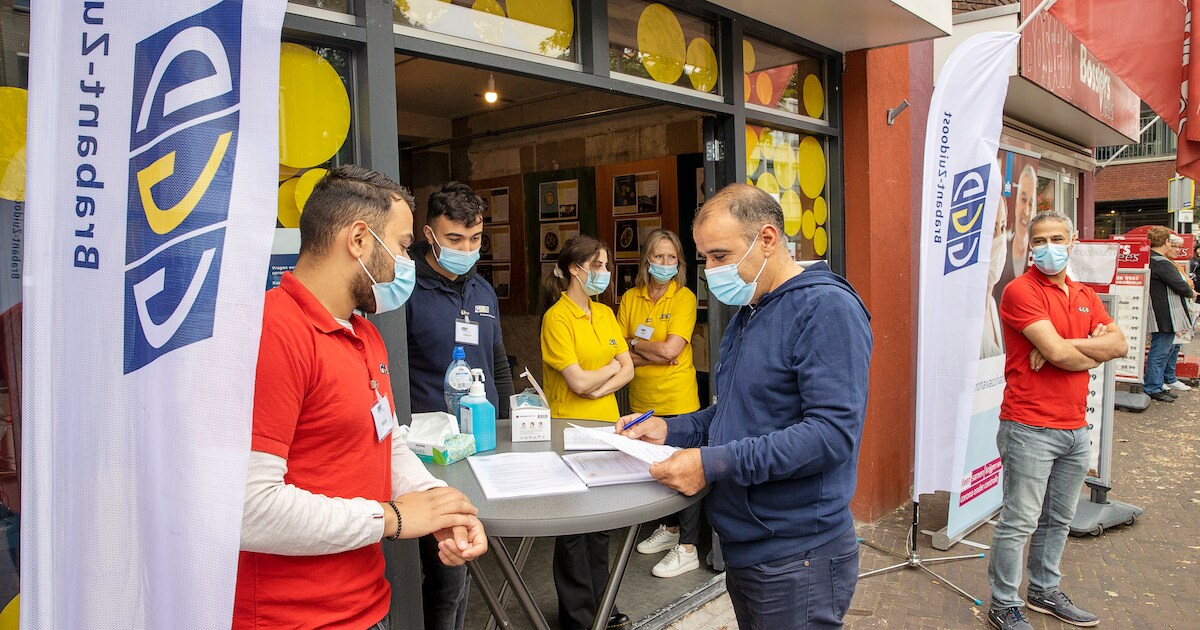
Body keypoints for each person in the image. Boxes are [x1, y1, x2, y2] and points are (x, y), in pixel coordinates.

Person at [235, 165, 488, 630]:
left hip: (367, 606)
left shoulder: (365, 334)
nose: (406, 261)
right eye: (403, 245)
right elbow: (249, 507)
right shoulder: (274, 332)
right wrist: (391, 518)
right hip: (290, 618)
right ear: (358, 238)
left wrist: (437, 504)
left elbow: (385, 445)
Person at [618, 184, 872, 629]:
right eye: (705, 259)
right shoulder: (750, 311)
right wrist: (668, 429)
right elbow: (736, 411)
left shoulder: (826, 308)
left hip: (798, 555)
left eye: (720, 255)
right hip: (748, 545)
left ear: (768, 239)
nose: (711, 270)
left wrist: (711, 464)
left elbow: (830, 437)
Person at [986, 211, 1127, 630]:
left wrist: (1056, 347)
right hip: (1029, 426)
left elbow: (1118, 343)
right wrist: (1073, 350)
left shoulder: (1085, 293)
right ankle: (1003, 603)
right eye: (1041, 240)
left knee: (1058, 519)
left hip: (1074, 428)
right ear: (1030, 246)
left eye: (1057, 238)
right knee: (1020, 521)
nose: (1049, 246)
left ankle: (1044, 590)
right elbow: (1069, 356)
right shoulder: (1020, 291)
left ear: (1073, 240)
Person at [405, 181, 514, 630]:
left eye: (475, 240)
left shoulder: (483, 291)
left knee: (470, 567)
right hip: (432, 460)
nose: (466, 249)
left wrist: (509, 432)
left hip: (484, 448)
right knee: (446, 579)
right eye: (454, 240)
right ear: (429, 234)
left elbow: (500, 364)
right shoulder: (405, 291)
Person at [540, 235, 635, 630]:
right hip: (569, 432)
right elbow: (577, 383)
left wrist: (602, 379)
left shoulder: (605, 313)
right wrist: (609, 372)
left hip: (606, 429)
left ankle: (602, 606)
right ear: (575, 270)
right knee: (574, 529)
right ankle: (578, 618)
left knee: (600, 527)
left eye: (607, 266)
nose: (606, 273)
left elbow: (628, 368)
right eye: (598, 266)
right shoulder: (556, 318)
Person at [616, 229, 704, 578]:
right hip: (643, 400)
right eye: (658, 256)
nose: (665, 263)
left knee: (685, 469)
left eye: (671, 258)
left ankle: (689, 548)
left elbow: (672, 350)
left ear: (679, 263)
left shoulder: (683, 298)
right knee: (657, 470)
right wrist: (643, 349)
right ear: (646, 260)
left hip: (678, 399)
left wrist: (636, 346)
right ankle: (670, 531)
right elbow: (619, 350)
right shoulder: (630, 298)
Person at [1144, 227, 1196, 403]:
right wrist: (1190, 292)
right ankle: (1153, 386)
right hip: (1167, 314)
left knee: (1160, 350)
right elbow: (1181, 286)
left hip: (1157, 312)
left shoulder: (1149, 258)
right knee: (1160, 351)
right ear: (1166, 241)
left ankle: (1157, 384)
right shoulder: (1162, 262)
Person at [982, 177, 1009, 359]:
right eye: (991, 230)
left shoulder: (992, 304)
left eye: (1003, 227)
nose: (999, 238)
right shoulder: (960, 310)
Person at [1010, 165, 1037, 277]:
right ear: (1016, 202)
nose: (1026, 211)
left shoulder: (1038, 255)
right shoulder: (1000, 249)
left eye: (1030, 204)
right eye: (1023, 200)